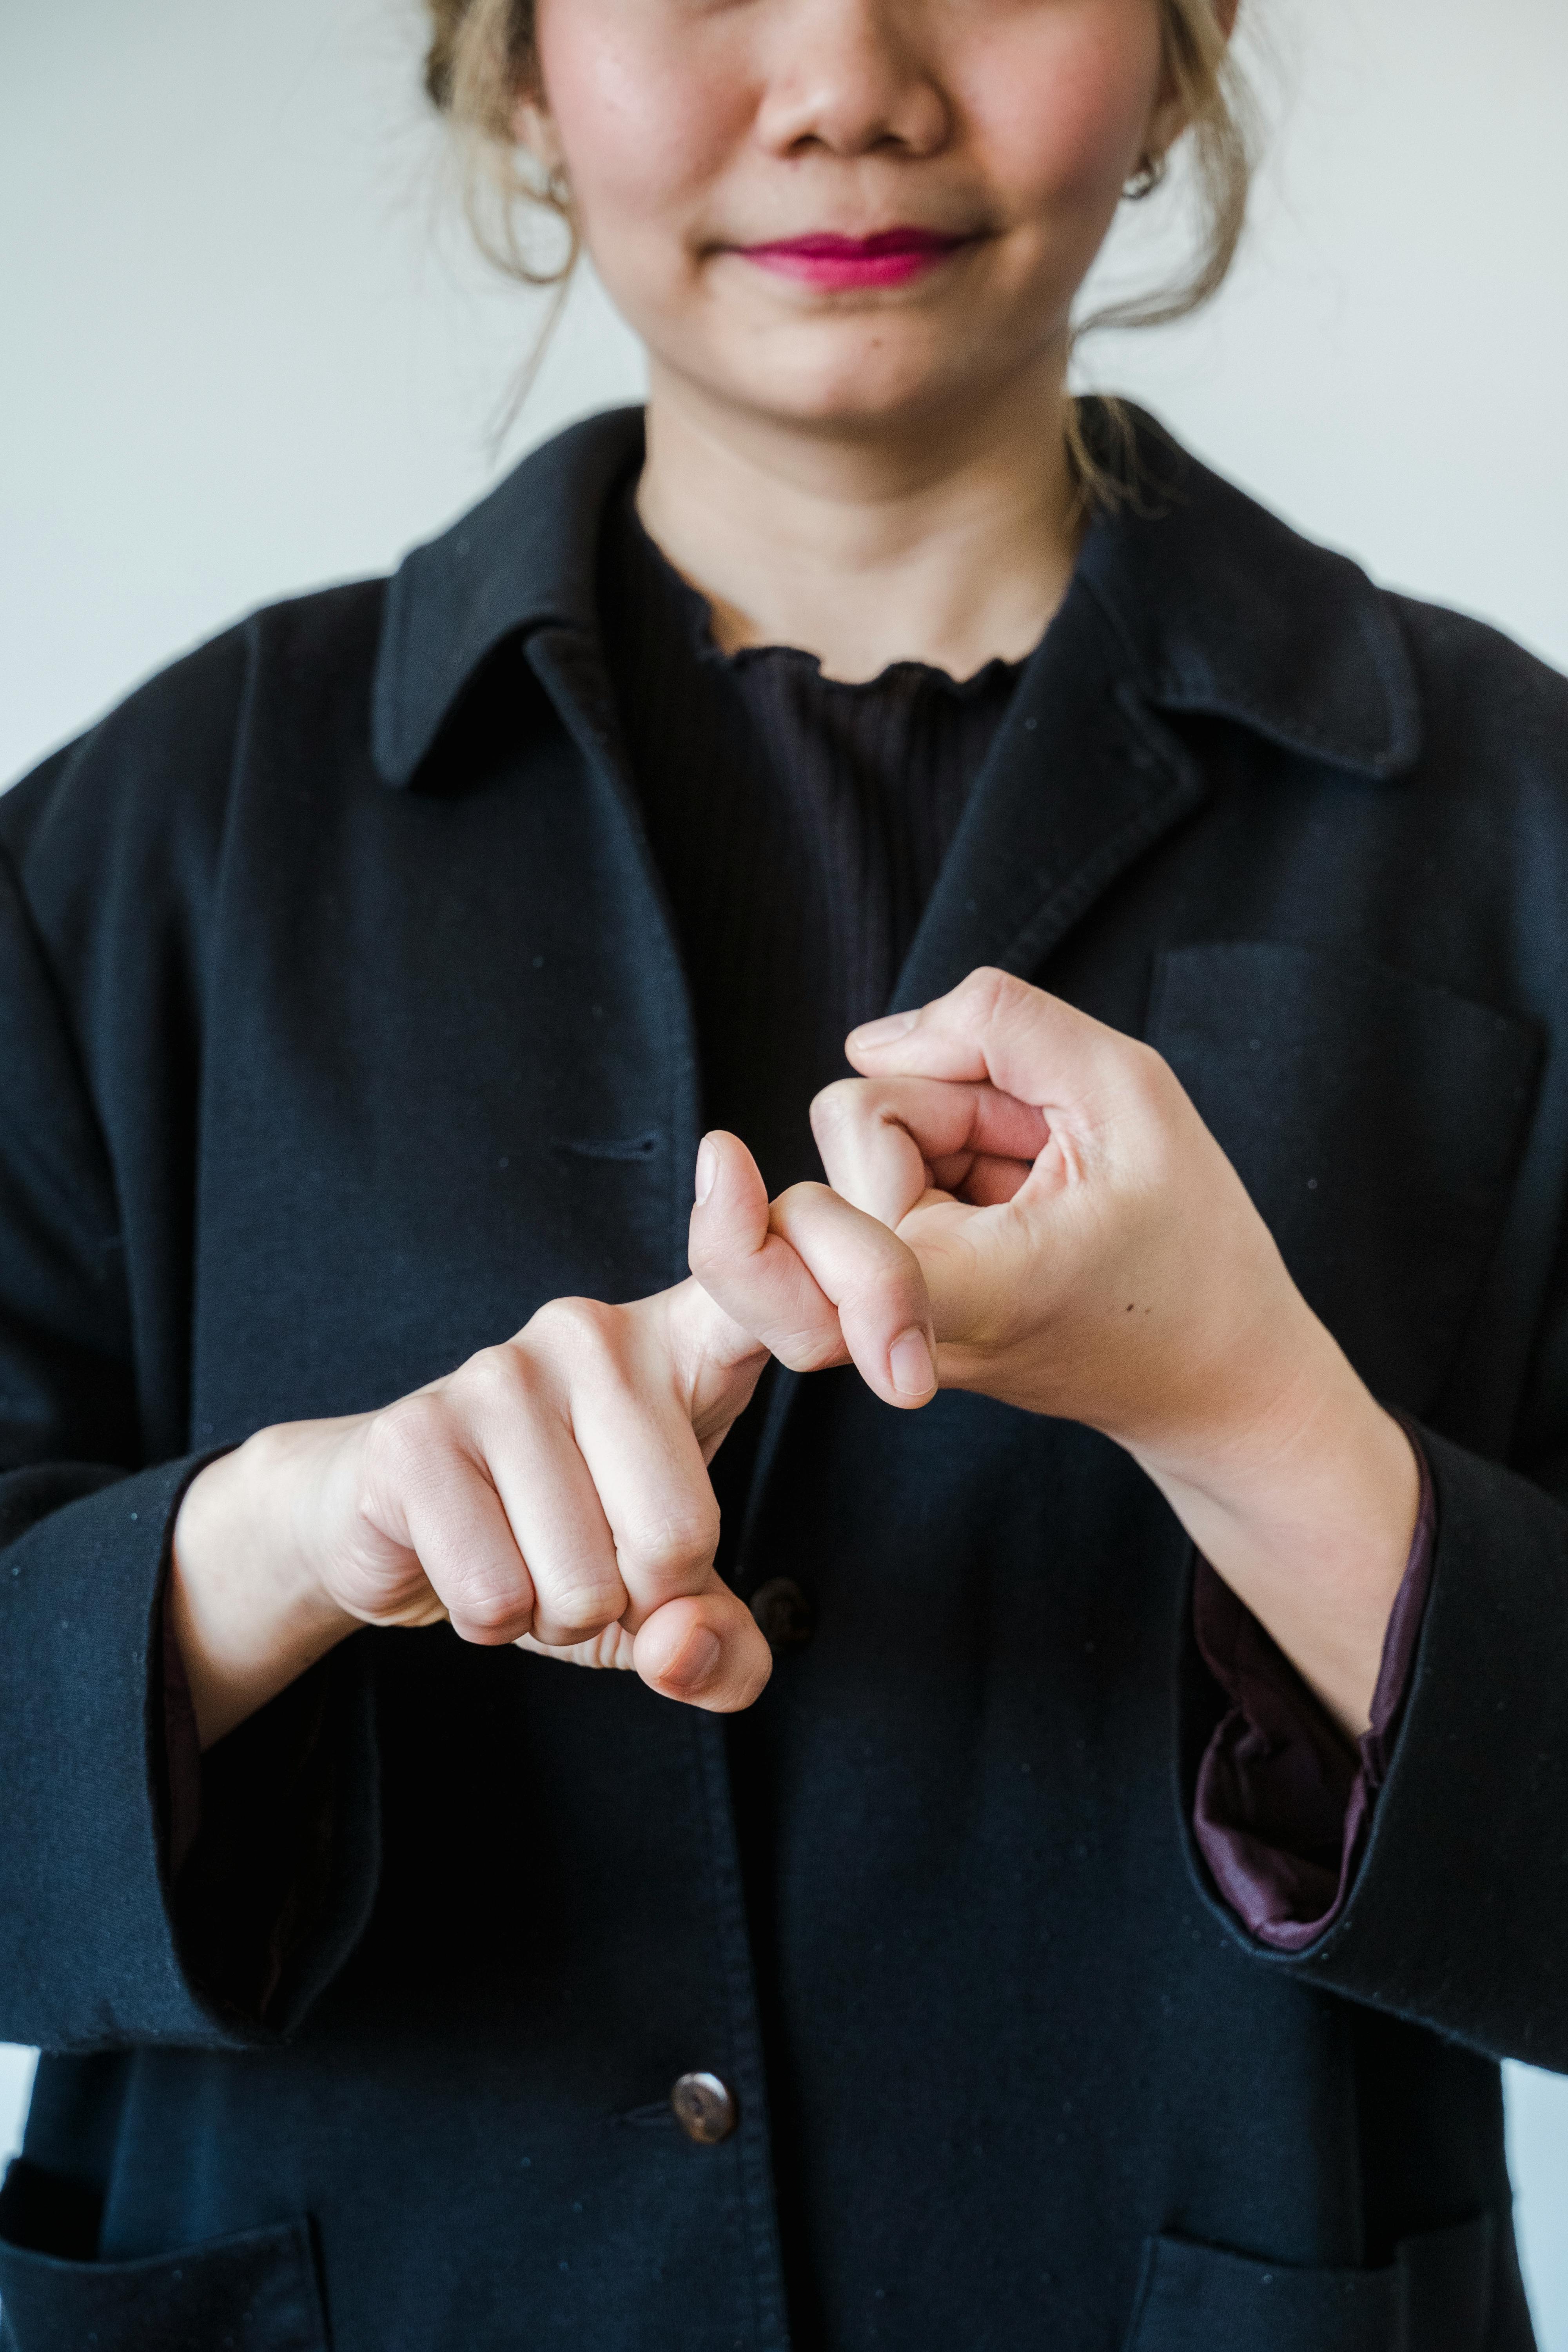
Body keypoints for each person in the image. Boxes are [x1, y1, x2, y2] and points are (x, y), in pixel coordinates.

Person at [0, 0, 1563, 2344]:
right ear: (515, 58)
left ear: (1186, 38)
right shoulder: (141, 850)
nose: (845, 76)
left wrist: (1250, 1416)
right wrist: (291, 1543)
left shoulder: (1519, 830)